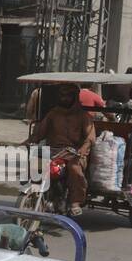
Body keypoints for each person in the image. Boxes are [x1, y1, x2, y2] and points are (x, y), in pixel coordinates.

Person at [24, 82, 95, 216]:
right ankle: (36, 192)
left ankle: (75, 201)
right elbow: (40, 133)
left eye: (68, 96)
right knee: (35, 162)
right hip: (53, 151)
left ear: (74, 97)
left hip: (74, 153)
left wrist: (83, 148)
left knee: (74, 169)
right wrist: (29, 141)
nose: (64, 98)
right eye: (62, 95)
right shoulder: (53, 114)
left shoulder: (83, 116)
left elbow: (90, 137)